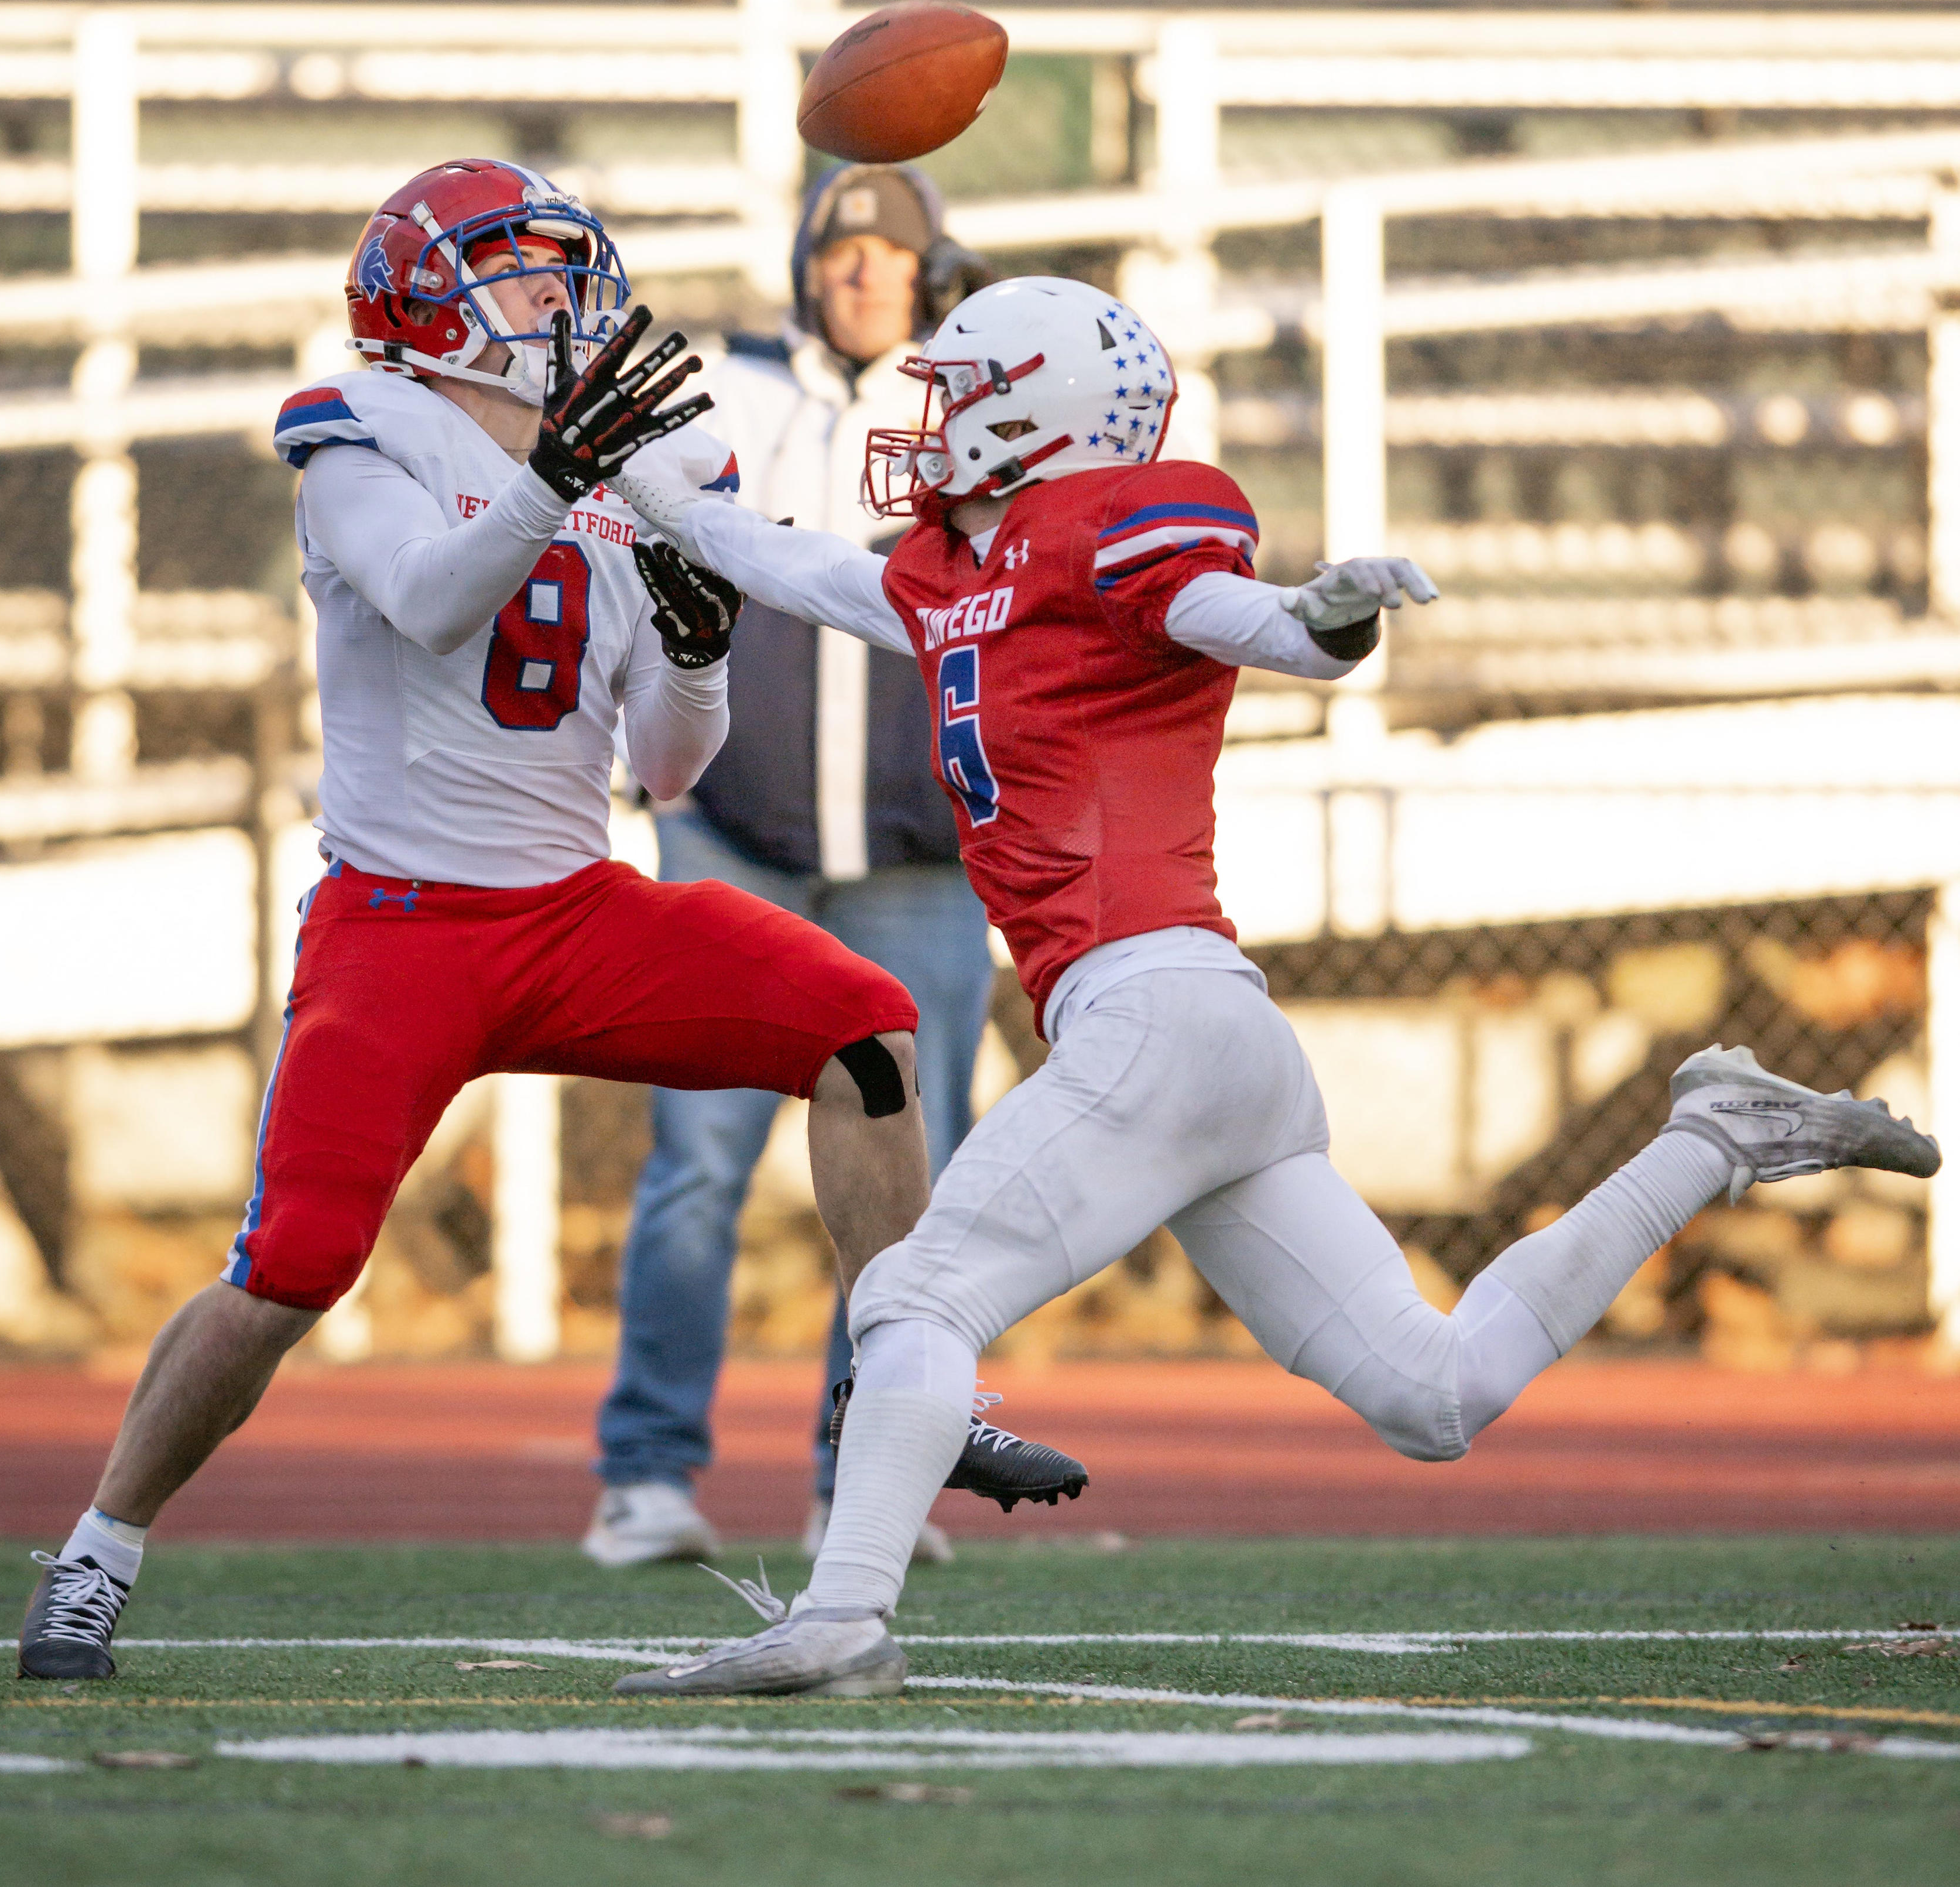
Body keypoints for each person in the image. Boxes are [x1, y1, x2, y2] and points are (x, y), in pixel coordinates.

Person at [606, 274, 1943, 1697]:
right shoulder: (953, 572)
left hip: (1147, 1015)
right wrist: (642, 484)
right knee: (1431, 1393)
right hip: (1205, 1032)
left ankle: (840, 1617)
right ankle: (1716, 1136)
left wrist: (1326, 618)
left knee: (911, 1298)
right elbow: (796, 566)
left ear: (1030, 413)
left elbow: (1248, 620)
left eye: (955, 395)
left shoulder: (1106, 532)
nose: (926, 425)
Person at [12, 162, 1064, 1683]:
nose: (558, 302)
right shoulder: (365, 434)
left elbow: (668, 768)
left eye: (564, 270)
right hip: (401, 924)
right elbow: (434, 597)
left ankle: (907, 1379)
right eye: (519, 273)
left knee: (867, 1030)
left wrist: (698, 653)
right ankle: (97, 1550)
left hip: (572, 909)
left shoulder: (631, 462)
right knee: (295, 1262)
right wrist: (554, 481)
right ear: (426, 304)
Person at [585, 165, 1006, 1570]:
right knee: (698, 1161)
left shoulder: (979, 401)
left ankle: (862, 1479)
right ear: (803, 266)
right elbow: (629, 559)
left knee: (907, 1180)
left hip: (916, 851)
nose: (864, 270)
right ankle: (645, 1470)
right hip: (735, 831)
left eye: (891, 250)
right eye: (842, 249)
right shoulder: (723, 388)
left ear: (931, 268)